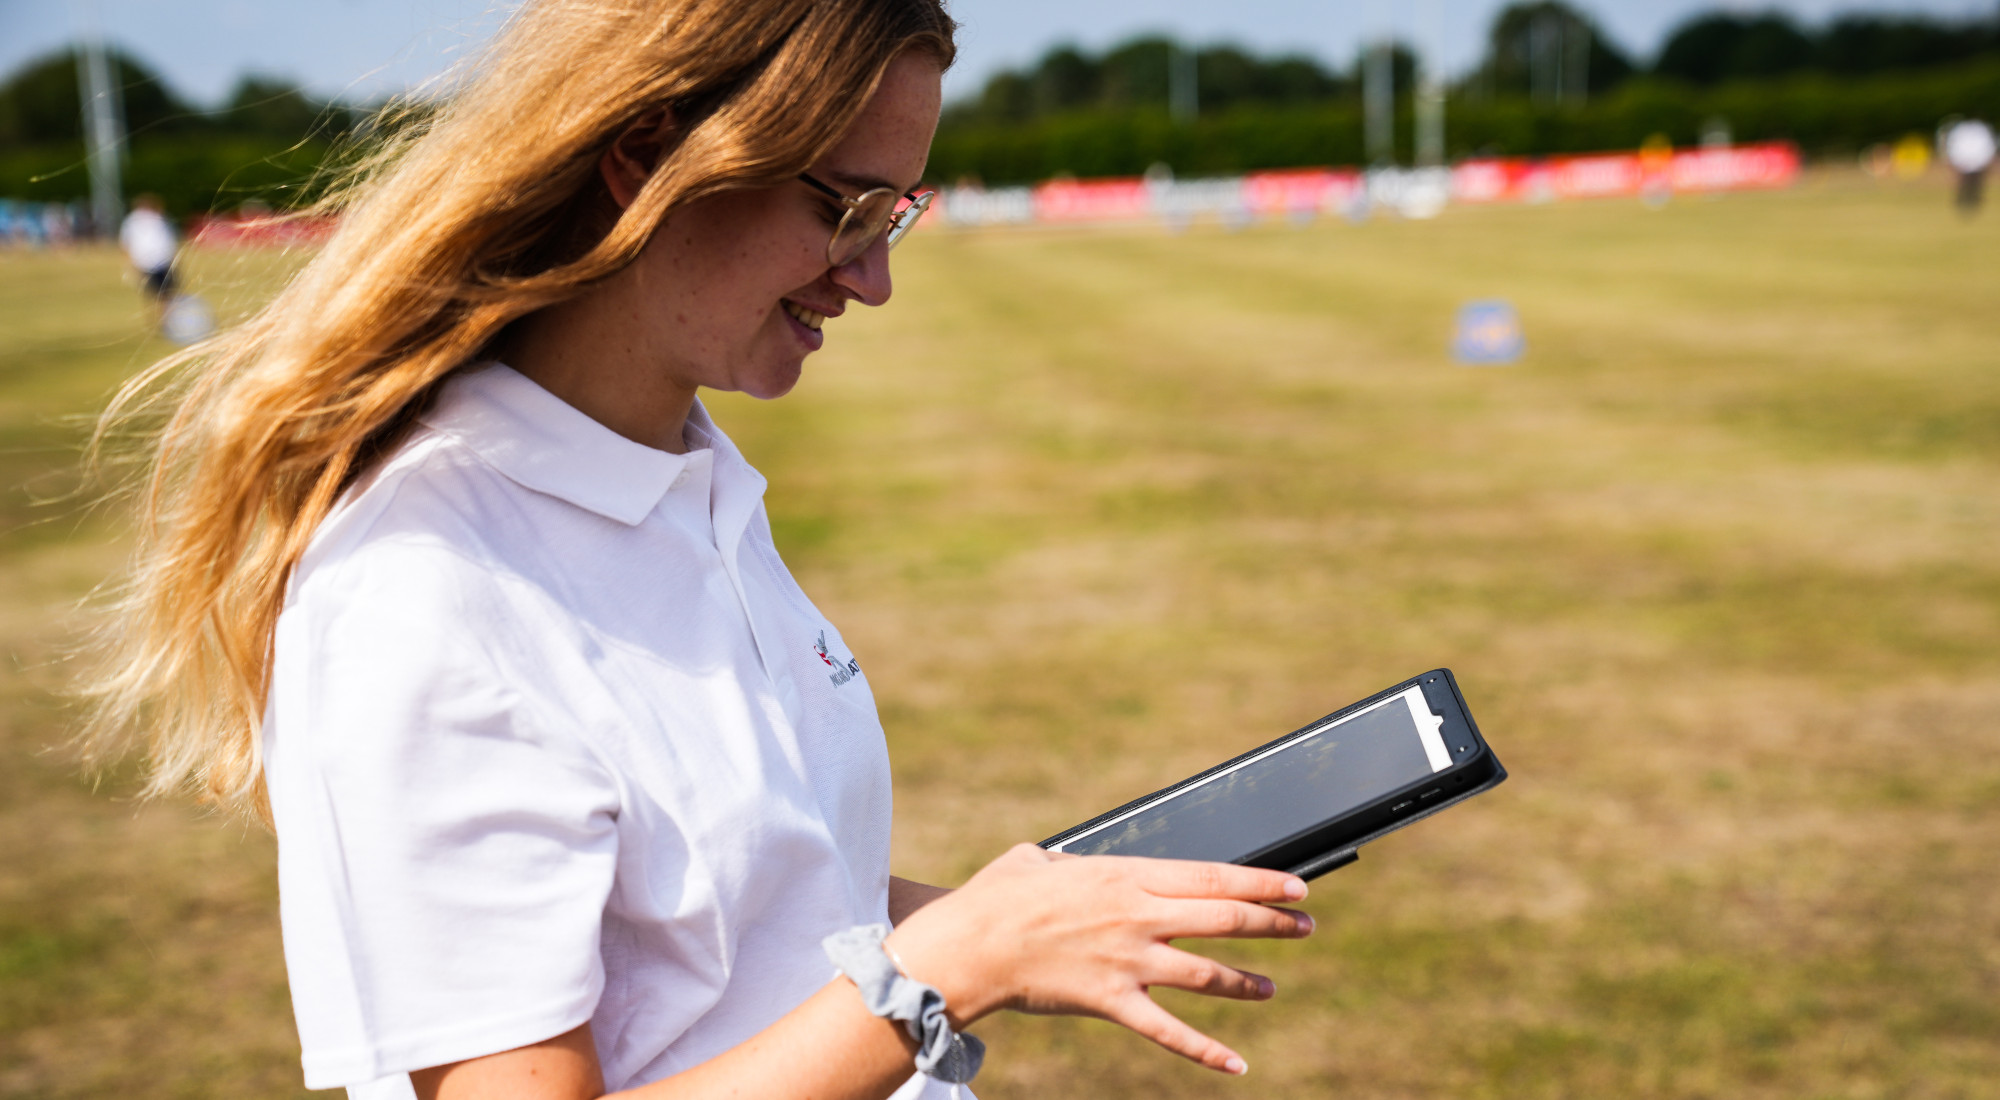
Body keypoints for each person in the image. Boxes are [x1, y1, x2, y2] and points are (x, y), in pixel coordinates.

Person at [79, 3, 1315, 1099]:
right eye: (846, 208)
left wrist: (1019, 922)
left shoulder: (682, 472)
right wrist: (942, 971)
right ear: (646, 162)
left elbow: (736, 914)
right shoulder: (428, 587)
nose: (875, 275)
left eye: (901, 209)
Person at [118, 193, 179, 320]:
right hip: (146, 262)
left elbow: (167, 240)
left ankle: (166, 318)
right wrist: (131, 263)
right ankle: (159, 319)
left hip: (162, 260)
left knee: (167, 292)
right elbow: (126, 243)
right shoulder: (133, 221)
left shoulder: (159, 219)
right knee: (155, 293)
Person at [1942, 117, 1995, 215]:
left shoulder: (1979, 130)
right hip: (1965, 163)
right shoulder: (1963, 130)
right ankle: (1963, 204)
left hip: (1976, 163)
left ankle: (1973, 204)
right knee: (1964, 185)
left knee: (1976, 186)